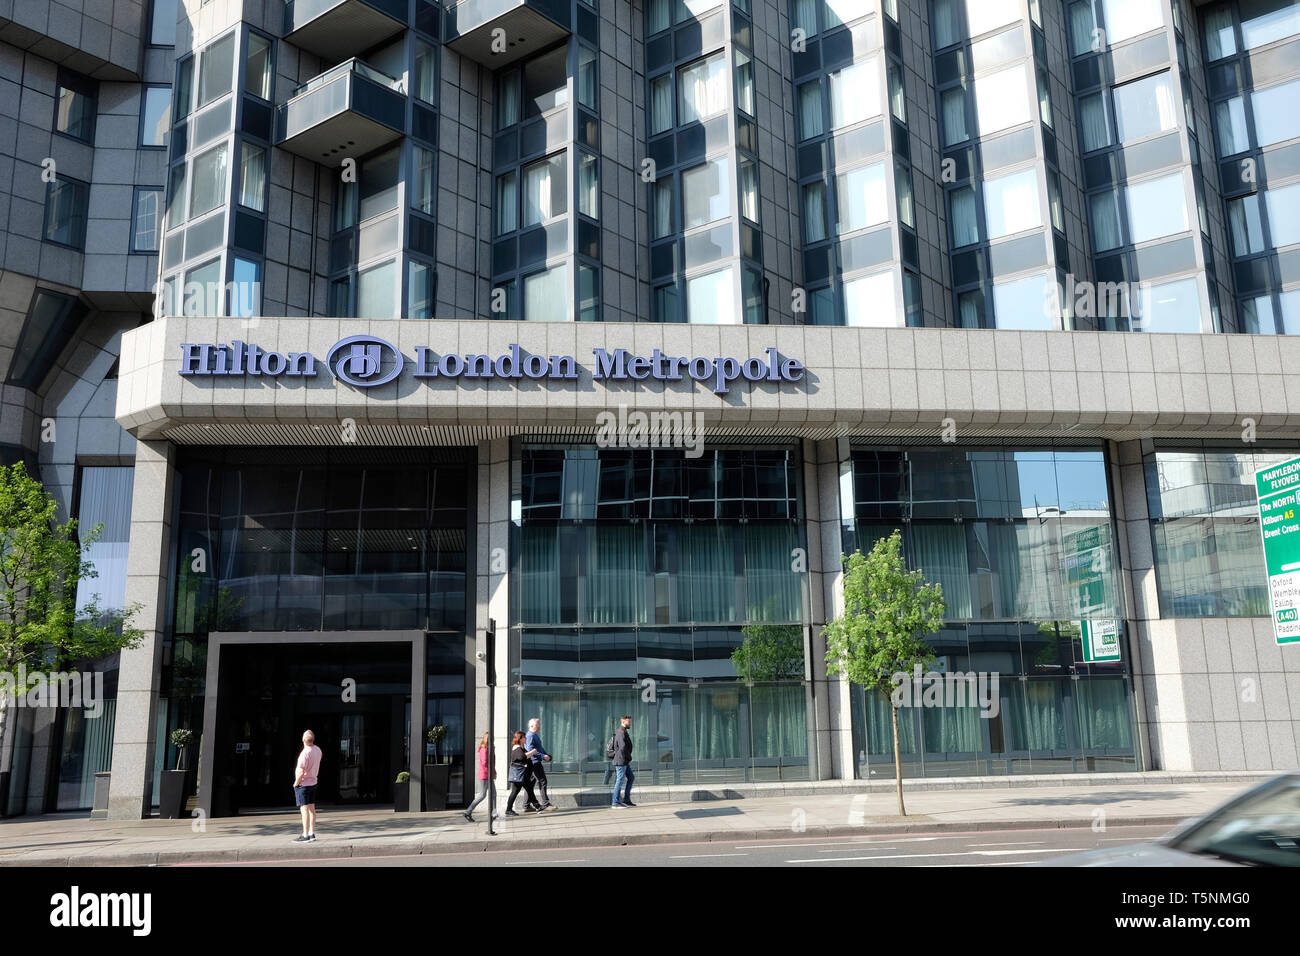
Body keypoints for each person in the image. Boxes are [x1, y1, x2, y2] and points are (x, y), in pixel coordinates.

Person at [292, 730, 322, 842]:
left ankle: (305, 835)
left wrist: (296, 783)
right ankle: (311, 833)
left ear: (303, 740)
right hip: (313, 782)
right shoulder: (318, 750)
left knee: (304, 810)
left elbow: (300, 772)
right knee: (312, 809)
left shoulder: (304, 754)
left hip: (303, 785)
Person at [463, 732, 496, 822]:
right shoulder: (484, 749)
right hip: (485, 775)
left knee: (493, 793)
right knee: (482, 795)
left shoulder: (489, 748)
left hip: (488, 774)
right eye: (492, 738)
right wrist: (491, 772)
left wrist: (494, 771)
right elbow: (485, 762)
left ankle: (494, 813)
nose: (493, 739)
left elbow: (491, 762)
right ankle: (468, 812)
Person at [504, 730, 538, 817]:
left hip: (522, 775)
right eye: (524, 737)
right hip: (519, 775)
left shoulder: (521, 748)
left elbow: (525, 756)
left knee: (528, 790)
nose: (526, 738)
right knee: (515, 792)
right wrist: (533, 752)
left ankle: (537, 805)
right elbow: (522, 757)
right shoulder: (517, 748)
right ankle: (508, 810)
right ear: (521, 738)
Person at [524, 717, 554, 812]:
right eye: (537, 725)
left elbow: (539, 748)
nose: (539, 726)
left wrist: (546, 755)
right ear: (532, 726)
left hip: (534, 762)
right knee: (542, 781)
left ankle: (526, 805)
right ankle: (546, 803)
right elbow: (530, 750)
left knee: (530, 784)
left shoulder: (533, 735)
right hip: (534, 763)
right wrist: (543, 756)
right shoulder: (530, 736)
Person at [611, 715, 635, 808]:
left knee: (631, 778)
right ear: (623, 721)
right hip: (621, 760)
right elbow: (622, 747)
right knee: (620, 780)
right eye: (628, 722)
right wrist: (629, 758)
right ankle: (615, 803)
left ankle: (626, 800)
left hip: (624, 761)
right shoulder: (621, 732)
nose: (630, 723)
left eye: (630, 722)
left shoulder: (624, 731)